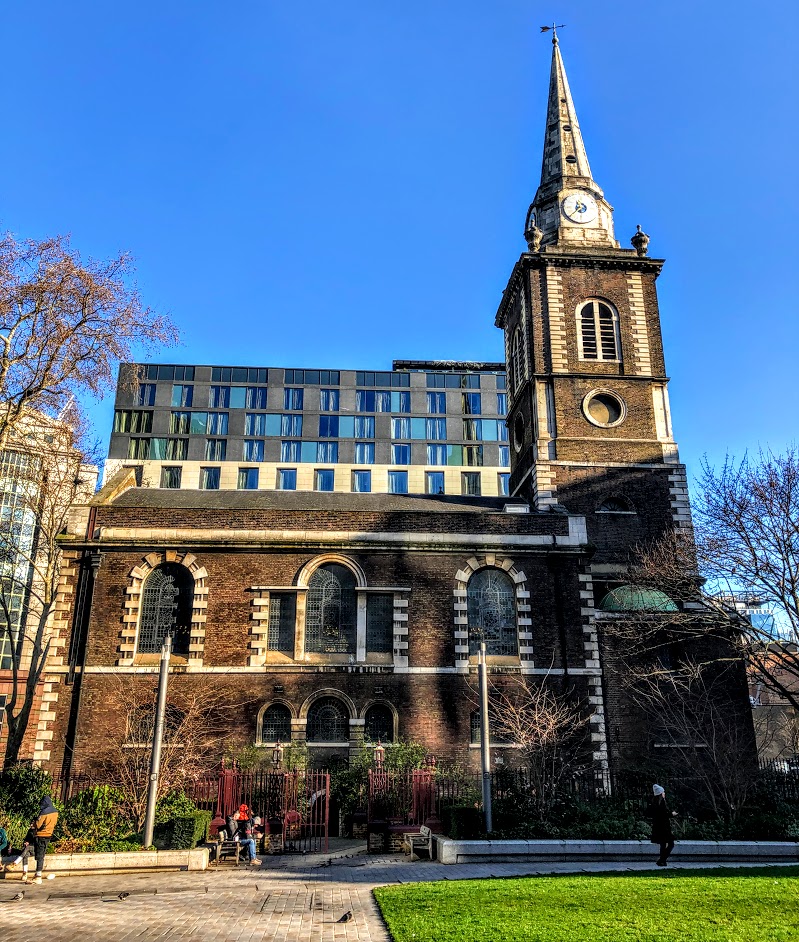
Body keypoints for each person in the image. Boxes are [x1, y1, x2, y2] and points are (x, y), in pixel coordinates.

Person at [5, 796, 59, 884]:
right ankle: (28, 872)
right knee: (36, 853)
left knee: (40, 857)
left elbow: (38, 825)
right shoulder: (55, 812)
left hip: (40, 835)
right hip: (48, 835)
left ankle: (38, 876)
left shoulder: (44, 812)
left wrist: (35, 823)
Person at [649, 784, 676, 866]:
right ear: (661, 794)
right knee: (671, 844)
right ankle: (662, 859)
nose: (664, 793)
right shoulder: (662, 804)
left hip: (658, 827)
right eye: (663, 792)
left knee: (663, 844)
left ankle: (662, 861)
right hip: (664, 827)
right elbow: (664, 815)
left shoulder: (655, 803)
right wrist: (672, 814)